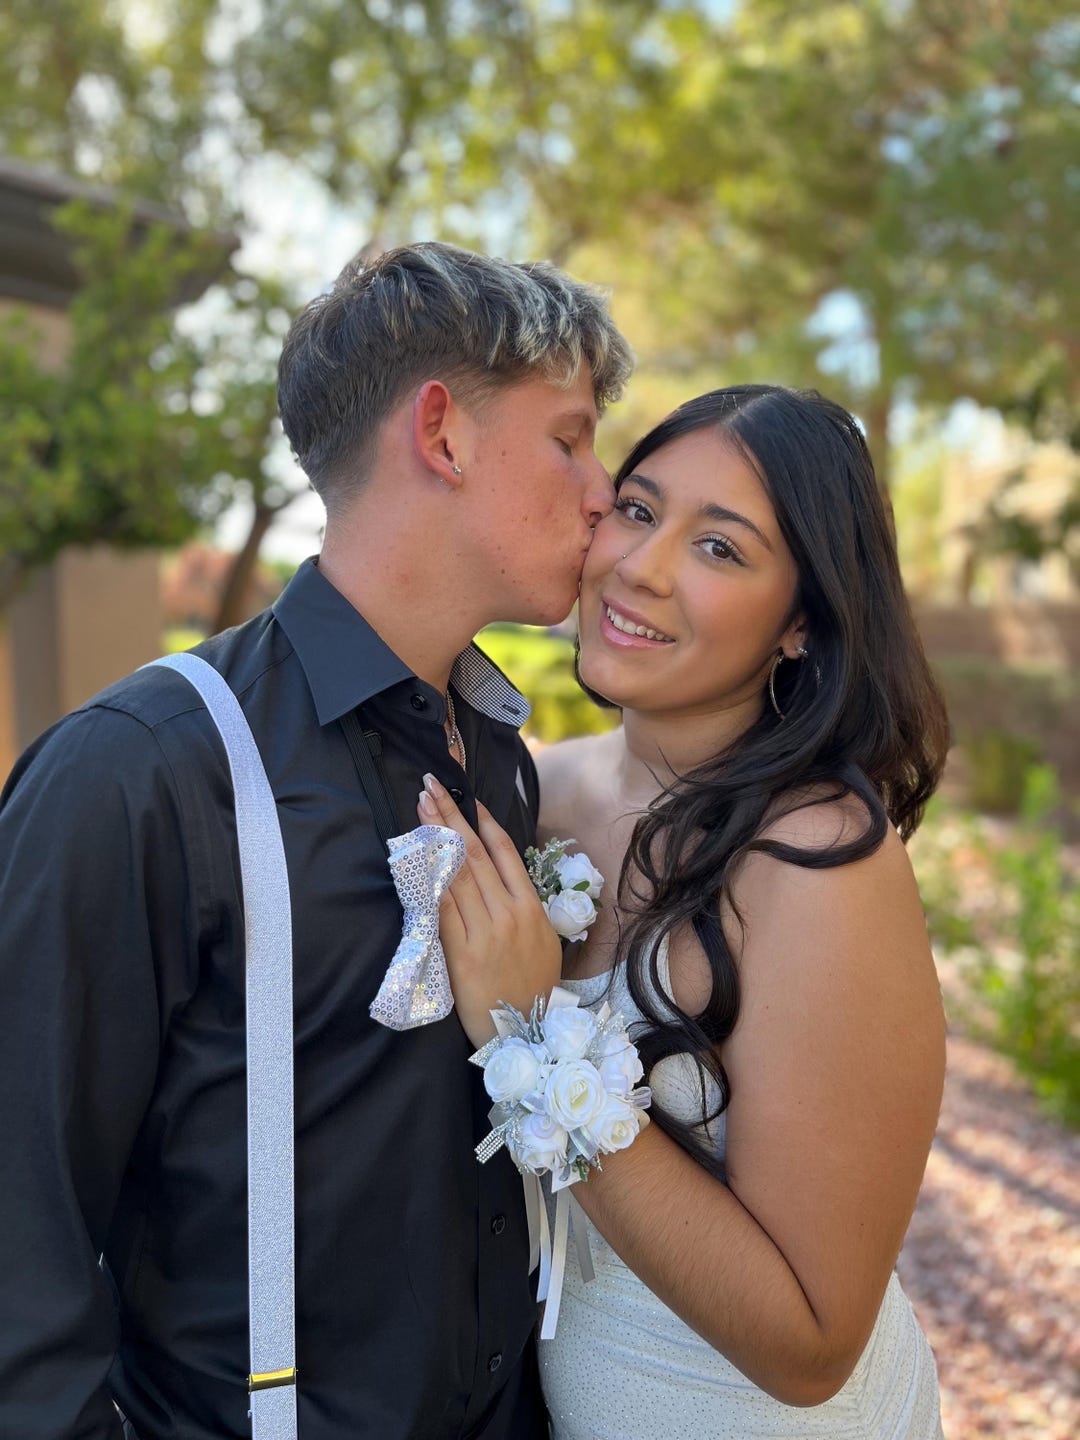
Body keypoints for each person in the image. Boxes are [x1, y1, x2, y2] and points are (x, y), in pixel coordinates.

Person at [0, 242, 632, 1439]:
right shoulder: (138, 772)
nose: (603, 490)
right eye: (570, 438)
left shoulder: (497, 751)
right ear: (442, 434)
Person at [418, 384, 950, 1438]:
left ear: (802, 622)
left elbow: (810, 1344)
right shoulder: (531, 791)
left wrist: (544, 1044)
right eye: (640, 509)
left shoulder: (817, 863)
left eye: (722, 550)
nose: (642, 568)